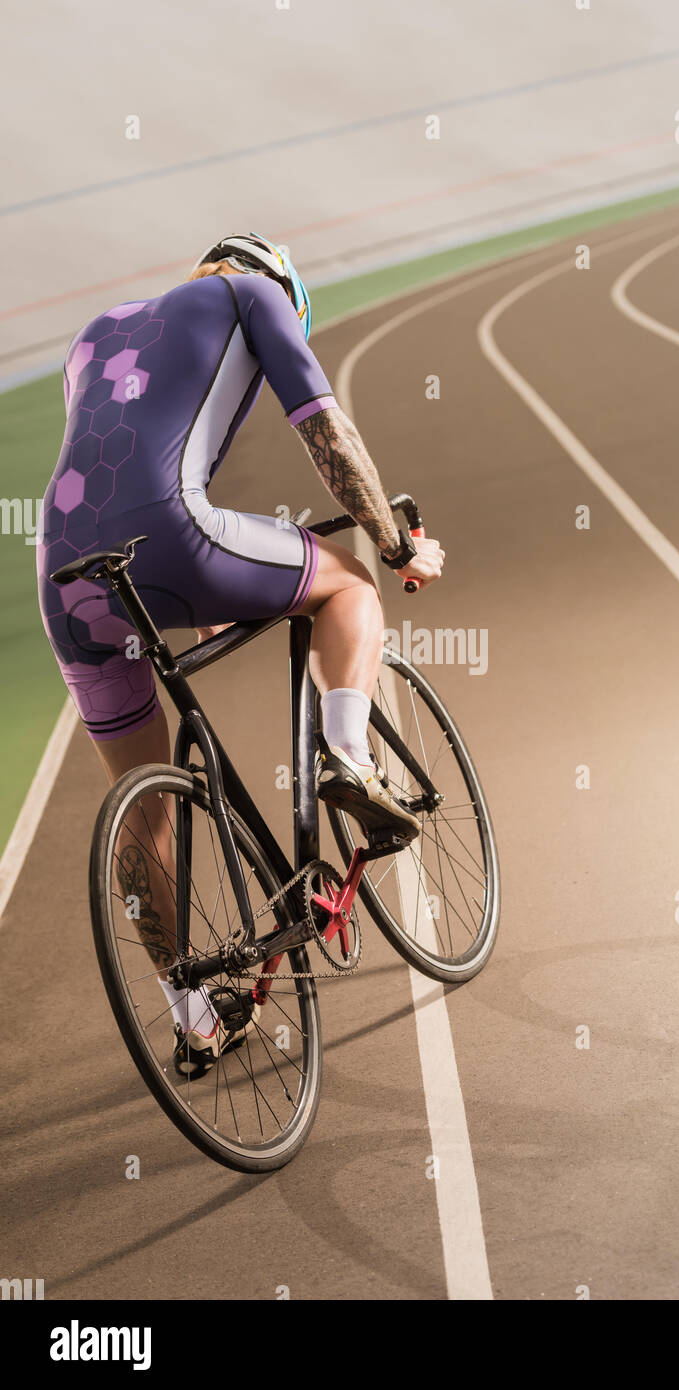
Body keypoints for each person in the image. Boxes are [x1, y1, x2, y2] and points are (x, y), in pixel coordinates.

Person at [36, 232, 444, 1075]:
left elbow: (125, 452)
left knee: (142, 811)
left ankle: (192, 1015)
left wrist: (196, 606)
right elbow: (327, 436)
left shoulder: (96, 332)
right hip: (173, 541)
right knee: (349, 586)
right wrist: (395, 540)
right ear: (283, 291)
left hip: (64, 577)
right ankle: (347, 759)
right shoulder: (250, 300)